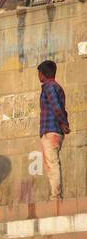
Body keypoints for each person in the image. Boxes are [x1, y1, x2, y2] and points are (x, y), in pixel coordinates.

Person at [38, 60, 70, 201]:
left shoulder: (49, 87)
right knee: (53, 162)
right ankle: (56, 195)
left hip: (51, 131)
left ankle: (55, 197)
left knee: (52, 164)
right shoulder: (57, 87)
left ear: (43, 74)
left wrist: (63, 123)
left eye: (39, 73)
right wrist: (63, 123)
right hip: (56, 131)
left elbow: (56, 107)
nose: (38, 76)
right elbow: (61, 108)